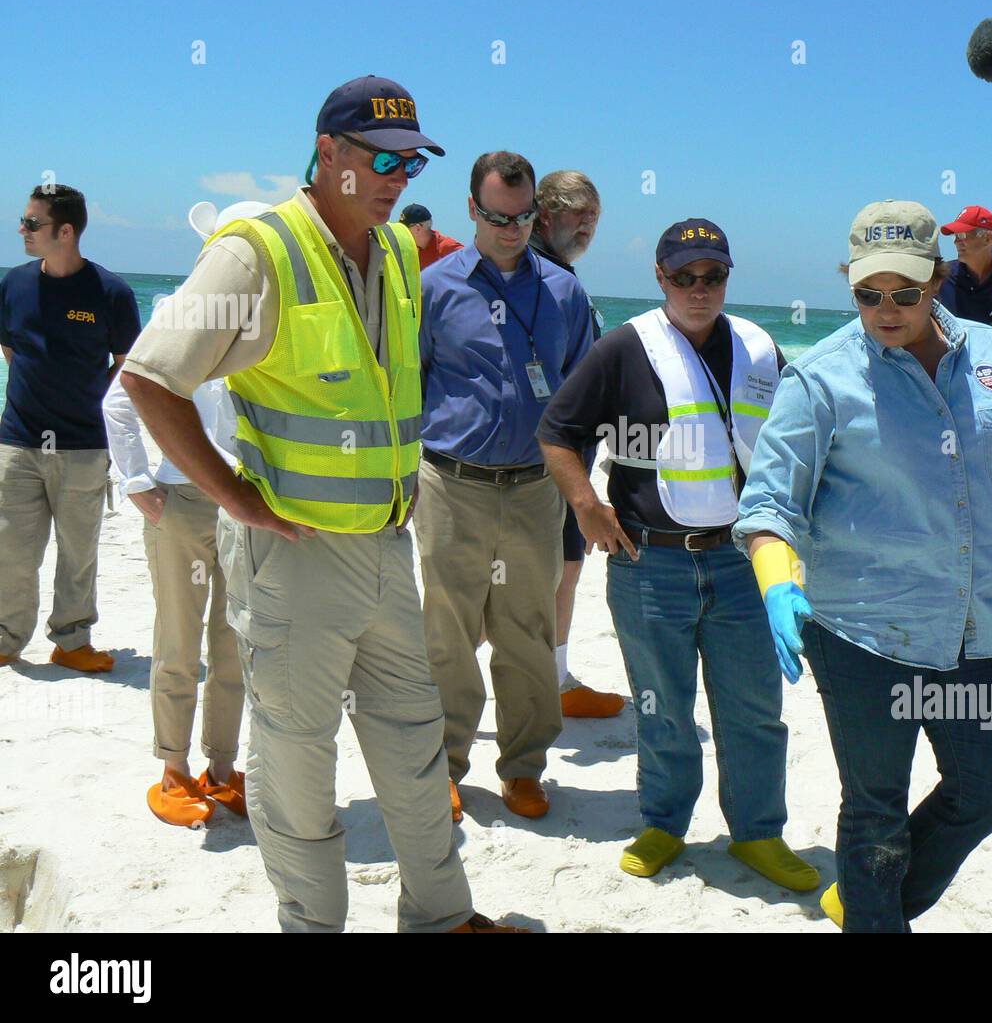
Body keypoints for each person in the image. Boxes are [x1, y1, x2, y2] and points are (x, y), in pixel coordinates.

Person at [121, 75, 520, 932]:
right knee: (298, 762)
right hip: (294, 552)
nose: (396, 176)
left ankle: (443, 917)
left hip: (384, 548)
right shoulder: (255, 249)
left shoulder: (399, 254)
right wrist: (233, 497)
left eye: (410, 161)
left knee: (415, 749)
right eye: (380, 158)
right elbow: (152, 379)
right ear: (327, 153)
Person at [734, 200, 992, 932]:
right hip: (862, 637)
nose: (885, 310)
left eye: (905, 292)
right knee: (875, 813)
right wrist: (777, 583)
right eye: (867, 293)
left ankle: (865, 906)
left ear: (941, 278)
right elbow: (768, 505)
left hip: (972, 630)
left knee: (986, 789)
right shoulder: (821, 379)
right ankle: (874, 914)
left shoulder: (991, 358)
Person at [538, 218, 818, 891]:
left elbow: (803, 434)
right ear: (660, 279)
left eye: (712, 275)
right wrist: (585, 504)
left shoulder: (758, 347)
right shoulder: (623, 349)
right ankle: (664, 822)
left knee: (753, 707)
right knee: (663, 703)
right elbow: (556, 432)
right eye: (684, 277)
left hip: (740, 560)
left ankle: (757, 832)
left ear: (728, 277)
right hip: (649, 562)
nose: (700, 289)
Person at [417, 151, 593, 823]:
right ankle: (445, 765)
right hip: (450, 484)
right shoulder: (433, 288)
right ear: (471, 209)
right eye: (498, 217)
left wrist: (579, 486)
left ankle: (523, 767)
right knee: (448, 632)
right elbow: (412, 383)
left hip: (533, 489)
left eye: (524, 218)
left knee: (527, 630)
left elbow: (580, 391)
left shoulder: (565, 292)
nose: (512, 229)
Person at [103, 201, 267, 827]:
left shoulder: (266, 324)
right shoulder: (178, 314)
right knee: (177, 640)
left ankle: (221, 771)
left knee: (233, 648)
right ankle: (173, 771)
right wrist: (139, 482)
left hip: (246, 504)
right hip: (185, 499)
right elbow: (119, 402)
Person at [0, 184, 140, 672]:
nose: (21, 230)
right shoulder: (13, 284)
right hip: (17, 440)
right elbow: (11, 348)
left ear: (66, 231)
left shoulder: (112, 293)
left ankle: (71, 640)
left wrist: (86, 401)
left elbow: (125, 365)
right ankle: (6, 638)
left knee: (77, 552)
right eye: (23, 221)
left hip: (83, 445)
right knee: (11, 547)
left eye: (31, 223)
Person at [528, 169, 623, 717]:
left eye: (594, 216)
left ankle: (557, 680)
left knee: (567, 566)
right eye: (577, 213)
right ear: (545, 214)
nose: (588, 225)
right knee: (531, 578)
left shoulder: (562, 276)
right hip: (545, 456)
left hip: (572, 452)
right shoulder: (538, 278)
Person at [398, 203, 462, 269]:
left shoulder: (448, 248)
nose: (401, 232)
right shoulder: (411, 250)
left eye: (404, 228)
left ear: (418, 228)